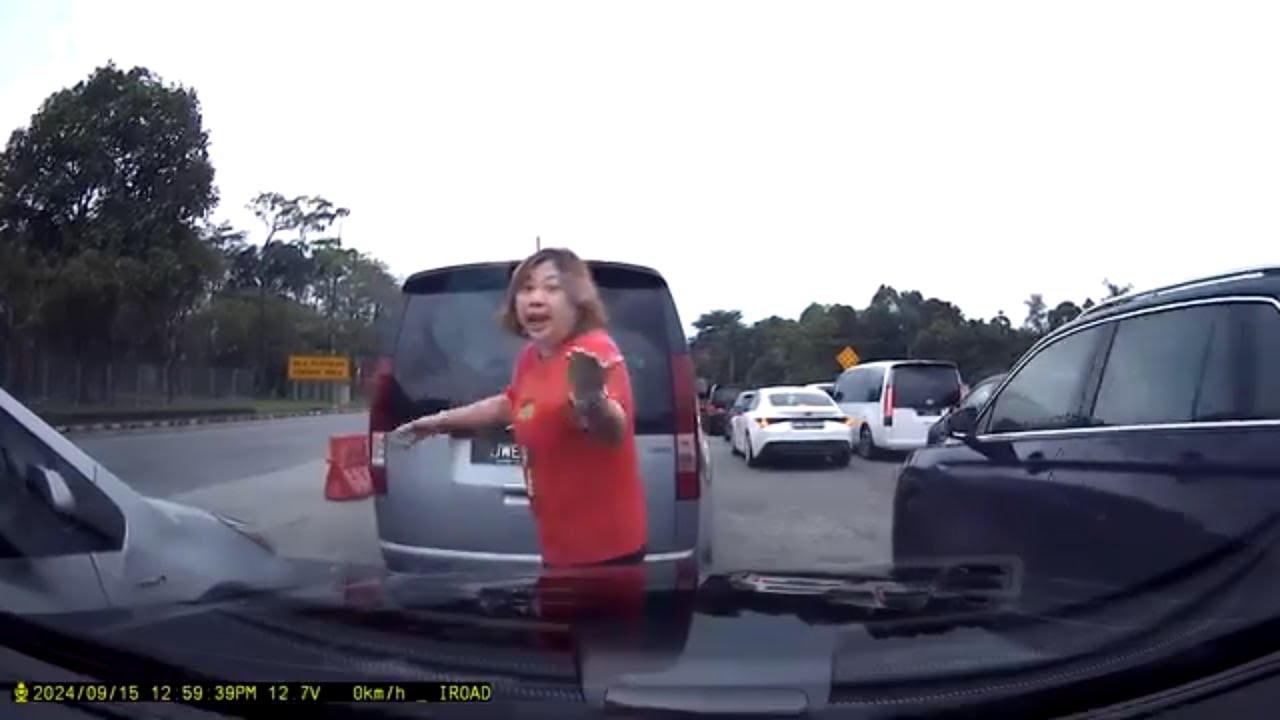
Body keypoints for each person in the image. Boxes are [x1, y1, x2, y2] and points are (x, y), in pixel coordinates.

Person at [393, 247, 649, 618]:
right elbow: (510, 403)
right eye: (526, 289)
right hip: (559, 548)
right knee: (558, 644)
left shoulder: (596, 352)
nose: (535, 298)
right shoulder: (532, 357)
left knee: (599, 650)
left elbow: (613, 431)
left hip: (606, 556)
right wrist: (436, 422)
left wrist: (593, 401)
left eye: (551, 288)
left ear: (577, 300)